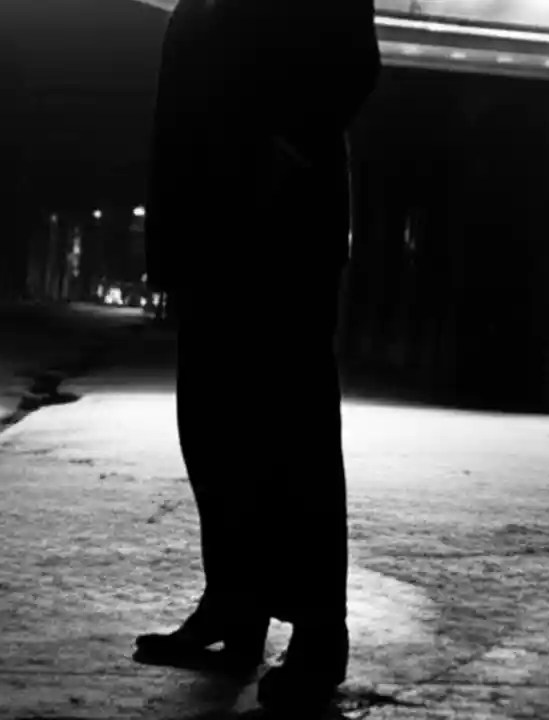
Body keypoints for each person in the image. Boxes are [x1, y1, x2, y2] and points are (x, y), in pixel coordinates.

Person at [135, 0, 380, 714]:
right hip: (208, 235)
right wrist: (171, 243)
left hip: (283, 229)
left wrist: (285, 151)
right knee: (212, 431)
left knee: (291, 435)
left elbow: (352, 62)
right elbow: (179, 109)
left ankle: (317, 631)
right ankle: (234, 608)